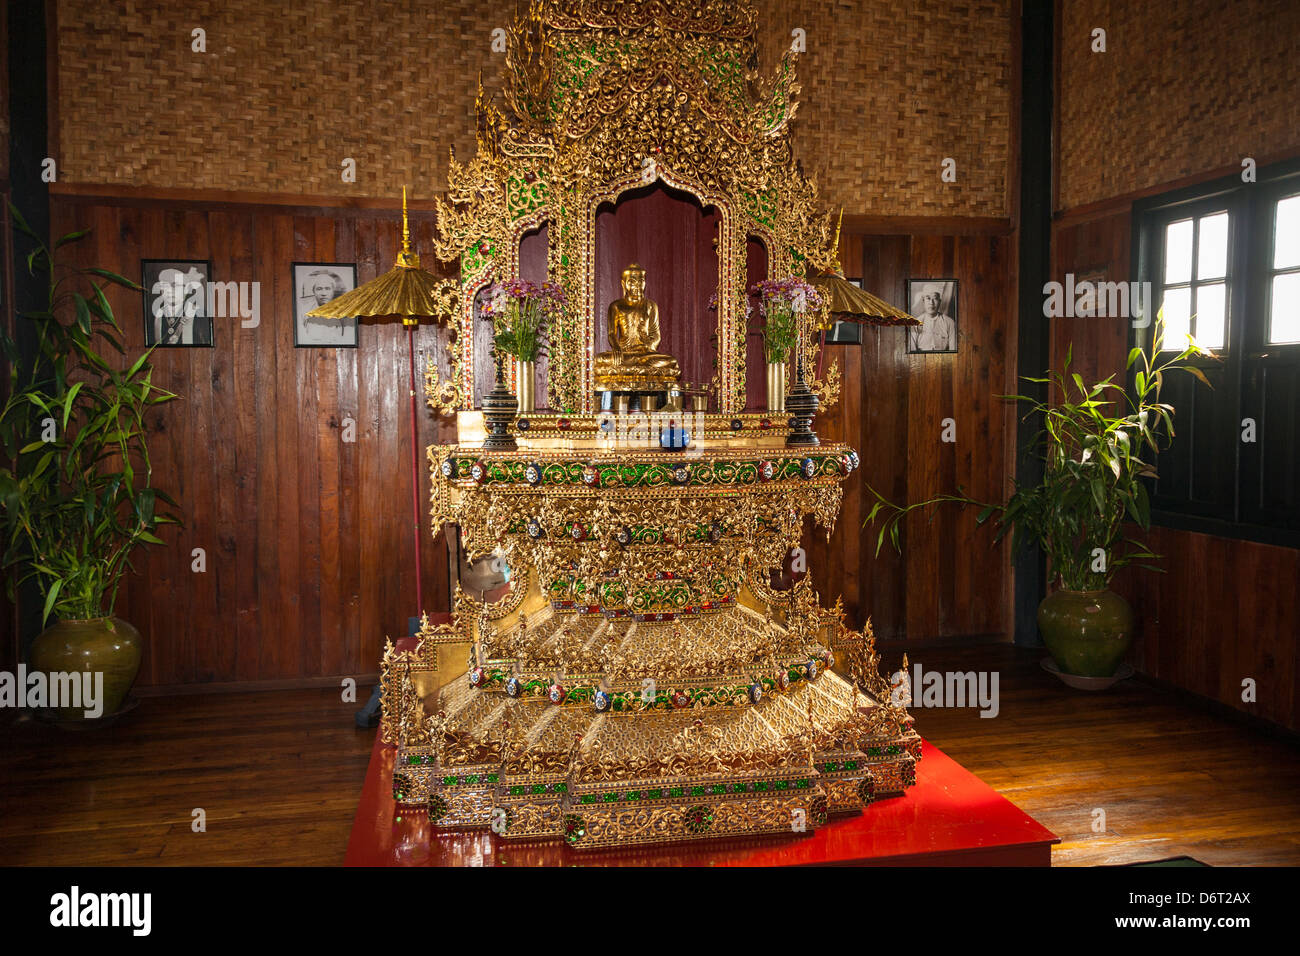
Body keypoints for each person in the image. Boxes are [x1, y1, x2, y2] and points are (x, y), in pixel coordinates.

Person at [150, 266, 211, 345]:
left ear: (186, 289)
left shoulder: (200, 315)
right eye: (164, 286)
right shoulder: (156, 316)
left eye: (175, 286)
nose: (169, 290)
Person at [908, 282, 956, 352]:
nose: (931, 303)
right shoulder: (915, 323)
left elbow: (953, 349)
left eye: (935, 298)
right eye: (928, 298)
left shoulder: (949, 322)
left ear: (939, 301)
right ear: (923, 301)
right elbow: (912, 350)